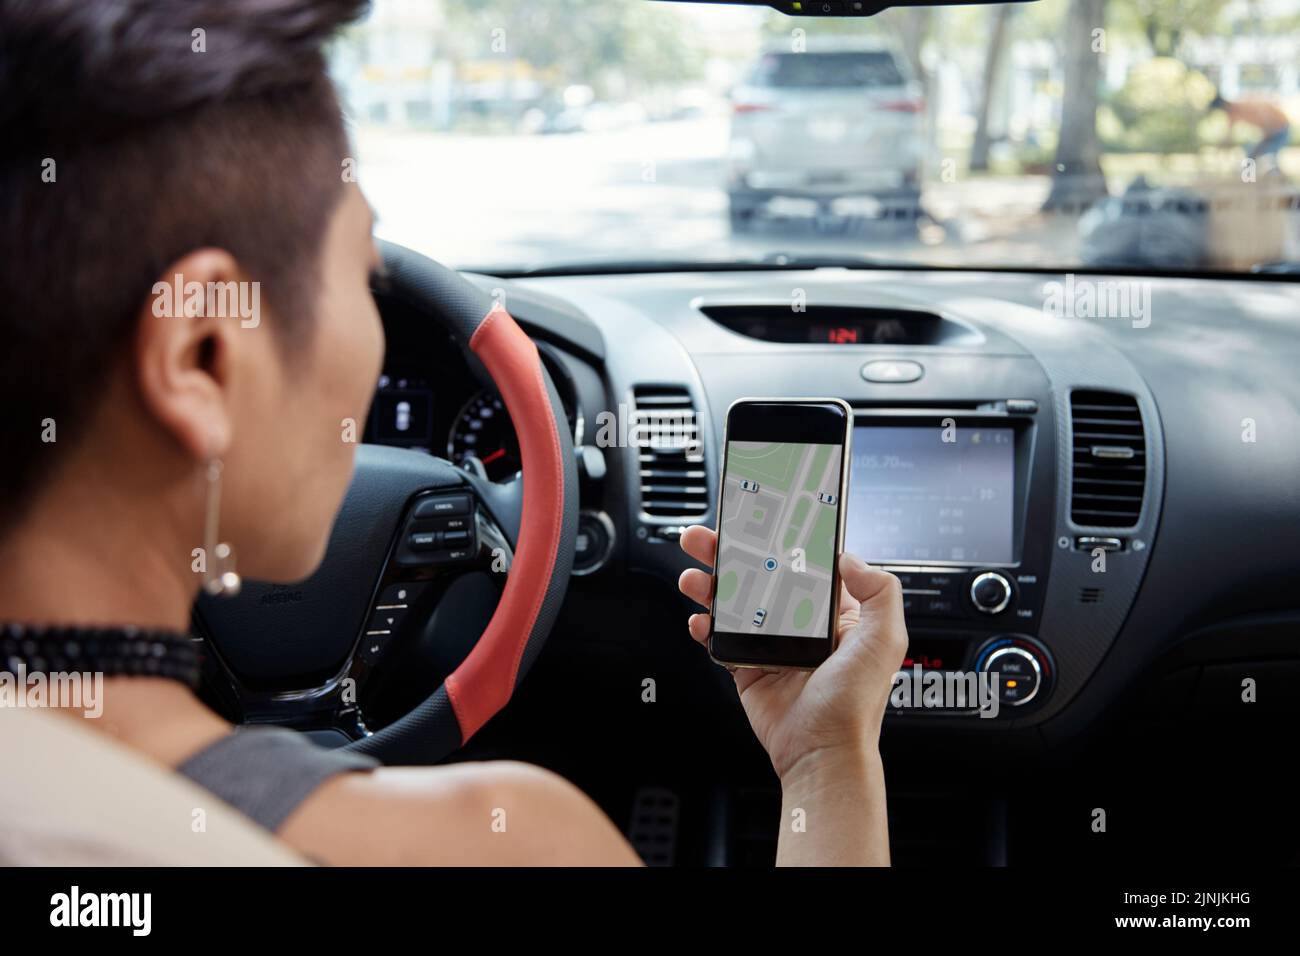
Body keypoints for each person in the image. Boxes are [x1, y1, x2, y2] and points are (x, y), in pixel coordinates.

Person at [0, 0, 908, 866]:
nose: (373, 329)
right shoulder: (507, 845)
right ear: (201, 355)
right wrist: (826, 760)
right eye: (362, 278)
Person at [1208, 91, 1292, 167]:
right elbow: (1228, 135)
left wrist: (1266, 135)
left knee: (1268, 154)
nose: (1225, 112)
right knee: (1251, 154)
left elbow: (1265, 114)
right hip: (1269, 132)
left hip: (1281, 127)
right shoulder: (1231, 114)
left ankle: (1275, 176)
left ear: (1225, 105)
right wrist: (1220, 148)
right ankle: (1251, 177)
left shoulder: (1244, 104)